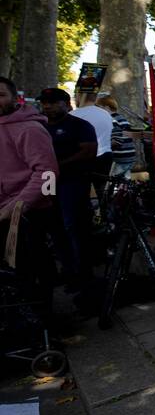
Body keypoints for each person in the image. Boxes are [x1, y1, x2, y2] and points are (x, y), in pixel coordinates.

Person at [0, 77, 60, 295]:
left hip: (28, 213)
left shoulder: (30, 129)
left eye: (1, 95)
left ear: (15, 98)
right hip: (6, 211)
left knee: (32, 269)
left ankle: (43, 319)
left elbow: (48, 174)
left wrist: (19, 206)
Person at [39, 88, 98, 288]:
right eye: (45, 102)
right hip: (47, 183)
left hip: (73, 182)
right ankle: (68, 270)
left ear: (66, 103)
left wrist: (58, 165)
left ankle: (84, 274)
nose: (47, 106)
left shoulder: (80, 125)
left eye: (53, 102)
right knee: (53, 227)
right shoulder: (39, 127)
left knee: (75, 227)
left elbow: (89, 152)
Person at [72, 93, 114, 199]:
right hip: (106, 156)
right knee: (102, 192)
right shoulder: (106, 114)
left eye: (75, 96)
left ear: (80, 96)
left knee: (82, 192)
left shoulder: (74, 115)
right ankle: (106, 213)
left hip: (84, 157)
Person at [96, 94, 138, 178]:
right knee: (125, 180)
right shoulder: (121, 118)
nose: (97, 111)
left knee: (115, 182)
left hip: (120, 157)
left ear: (107, 108)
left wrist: (102, 148)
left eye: (99, 108)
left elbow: (117, 141)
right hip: (129, 155)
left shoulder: (111, 119)